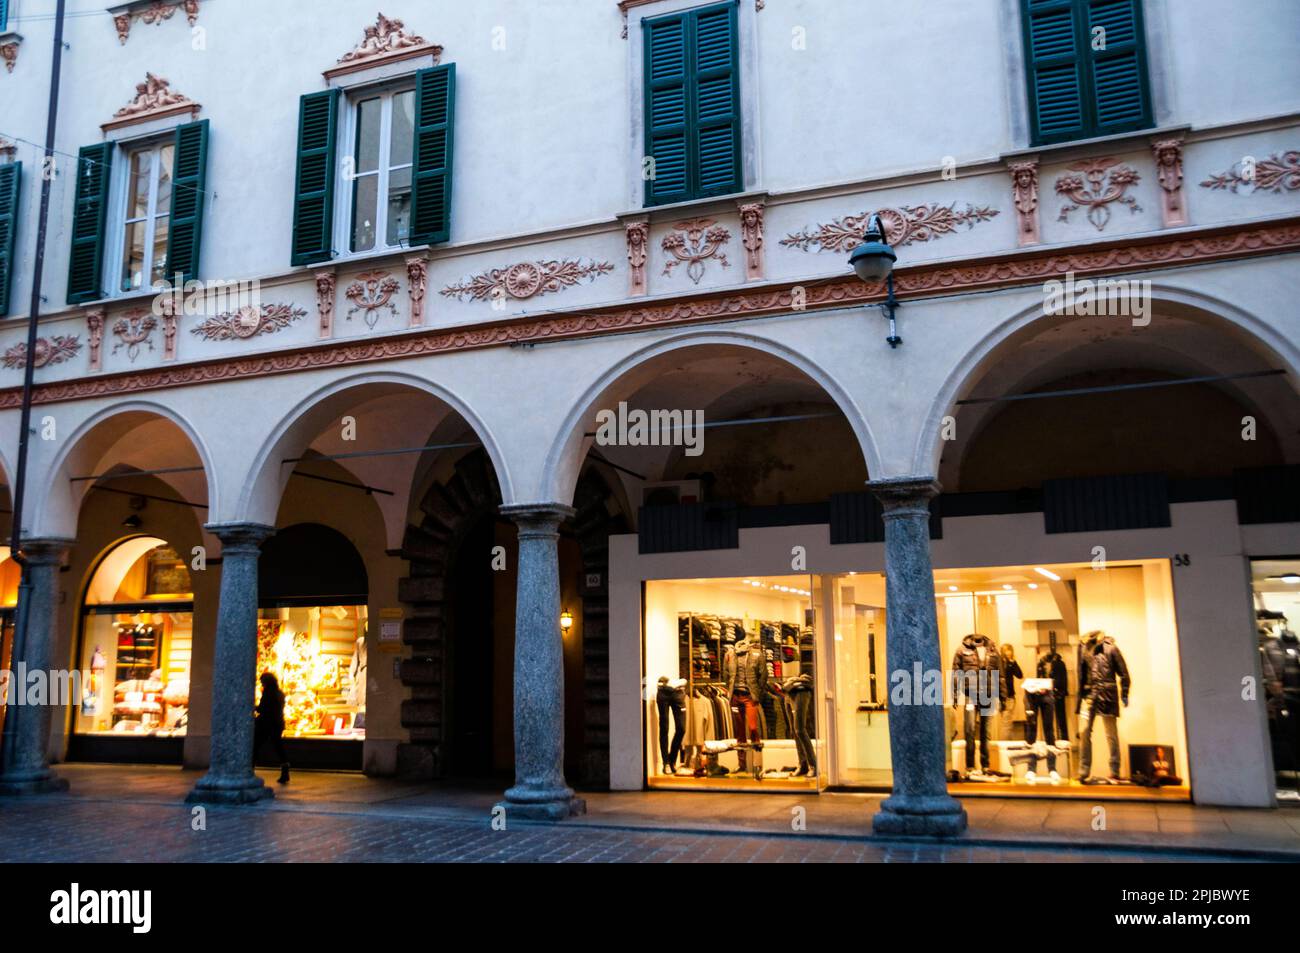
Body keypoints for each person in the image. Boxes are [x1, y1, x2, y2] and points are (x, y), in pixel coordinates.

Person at [254, 672, 290, 784]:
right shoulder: (279, 693)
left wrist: (254, 707)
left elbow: (263, 709)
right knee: (278, 746)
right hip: (278, 723)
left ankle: (249, 769)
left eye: (262, 682)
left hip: (266, 723)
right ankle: (285, 770)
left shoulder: (268, 693)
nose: (261, 684)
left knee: (255, 745)